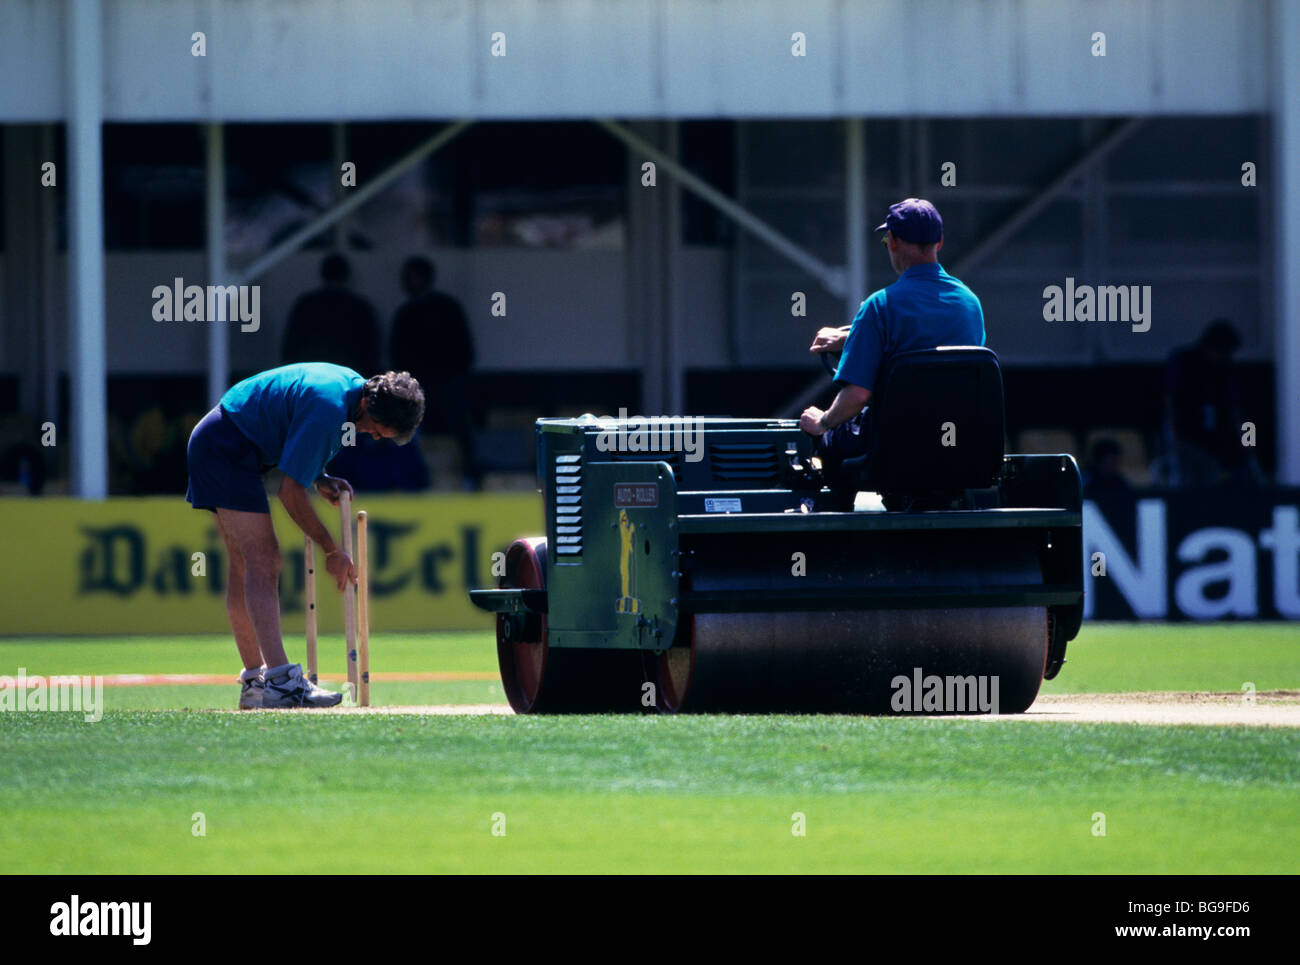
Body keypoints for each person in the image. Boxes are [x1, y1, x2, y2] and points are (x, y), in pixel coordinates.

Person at [185, 364, 424, 709]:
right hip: (225, 448)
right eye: (375, 430)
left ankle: (256, 683)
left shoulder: (351, 394)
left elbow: (298, 440)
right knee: (264, 561)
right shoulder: (330, 408)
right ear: (368, 408)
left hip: (223, 439)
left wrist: (319, 475)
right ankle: (281, 683)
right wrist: (332, 551)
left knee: (244, 566)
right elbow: (289, 493)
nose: (370, 436)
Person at [800, 199, 985, 504]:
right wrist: (852, 337)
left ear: (894, 242)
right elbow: (925, 346)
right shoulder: (970, 304)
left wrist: (822, 423)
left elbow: (857, 396)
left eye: (887, 239)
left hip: (896, 448)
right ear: (938, 242)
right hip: (957, 446)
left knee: (825, 441)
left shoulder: (879, 306)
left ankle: (837, 542)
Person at [389, 256, 480, 488]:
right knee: (412, 435)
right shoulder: (406, 312)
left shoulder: (446, 308)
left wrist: (452, 376)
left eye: (411, 276)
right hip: (417, 388)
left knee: (459, 433)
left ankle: (469, 482)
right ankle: (418, 482)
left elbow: (464, 348)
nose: (406, 282)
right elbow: (397, 354)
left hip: (447, 385)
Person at [1159, 319, 1258, 486]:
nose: (1222, 357)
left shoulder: (1225, 370)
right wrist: (1172, 435)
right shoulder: (1183, 361)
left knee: (1208, 484)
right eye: (1221, 351)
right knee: (1184, 484)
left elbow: (1235, 409)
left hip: (1211, 443)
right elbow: (1170, 399)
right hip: (1185, 438)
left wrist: (1246, 440)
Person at [282, 254, 381, 376]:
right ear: (346, 275)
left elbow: (292, 343)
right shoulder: (359, 306)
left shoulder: (307, 304)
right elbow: (369, 347)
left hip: (312, 371)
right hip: (348, 372)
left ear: (323, 274)